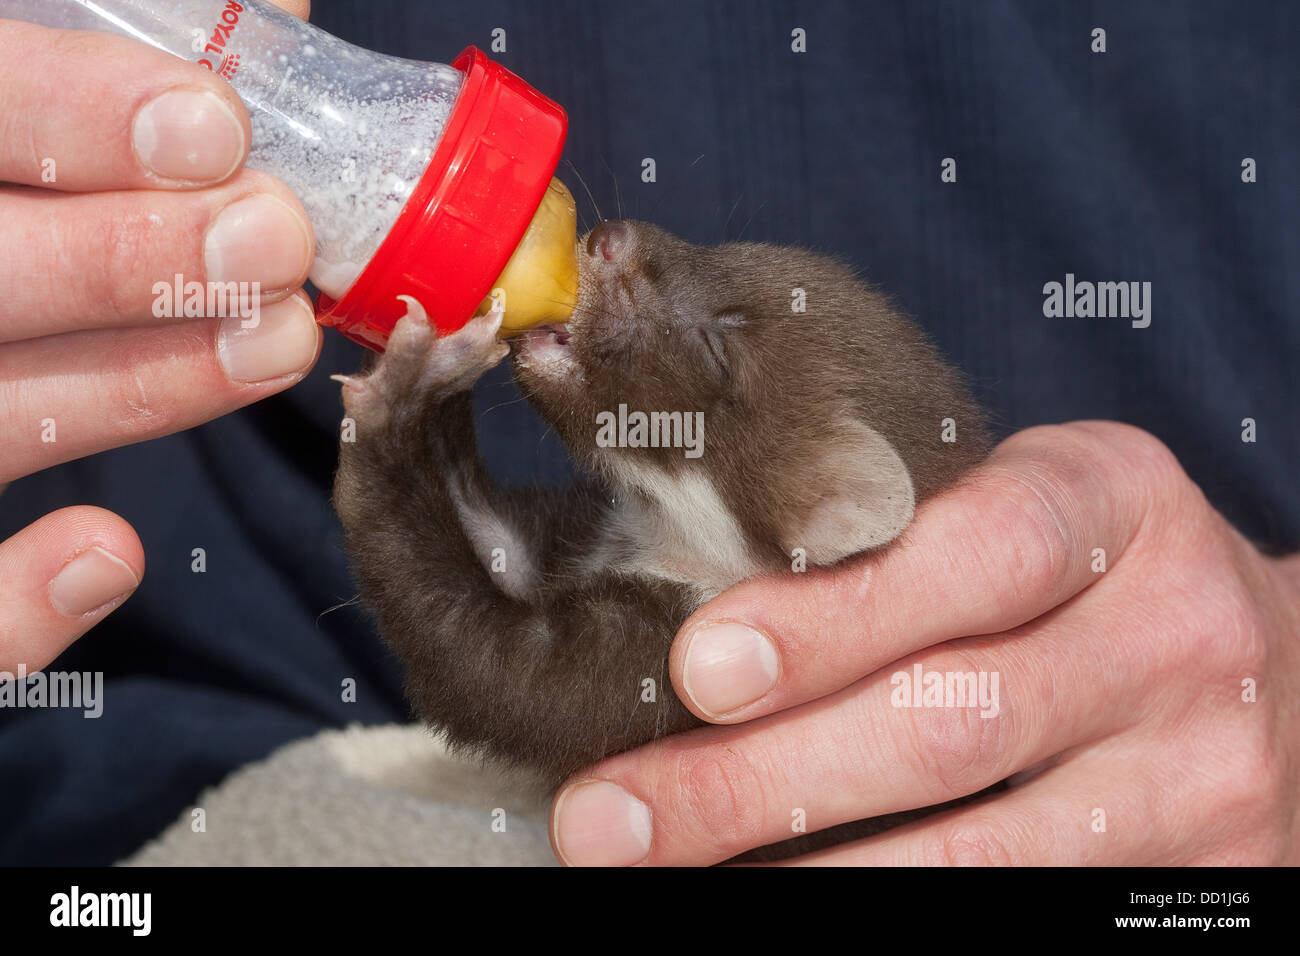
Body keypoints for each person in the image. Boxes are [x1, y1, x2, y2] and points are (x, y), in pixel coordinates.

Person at [1, 0, 1296, 866]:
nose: (623, 244)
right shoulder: (654, 560)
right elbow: (495, 583)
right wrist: (413, 423)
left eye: (719, 335)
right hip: (138, 767)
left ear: (827, 510)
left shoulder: (705, 621)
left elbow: (481, 636)